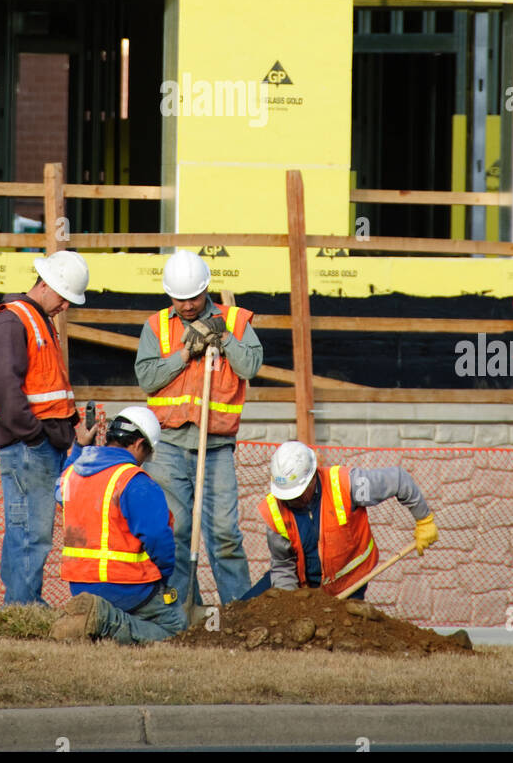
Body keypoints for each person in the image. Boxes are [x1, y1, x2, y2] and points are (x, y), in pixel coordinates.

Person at [134, 250, 263, 606]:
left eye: (193, 297)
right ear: (169, 294)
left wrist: (224, 337)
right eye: (180, 298)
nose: (188, 305)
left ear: (206, 288)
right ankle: (182, 611)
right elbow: (147, 378)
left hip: (215, 445)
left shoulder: (234, 320)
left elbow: (251, 366)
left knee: (224, 533)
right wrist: (184, 354)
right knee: (175, 532)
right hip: (168, 446)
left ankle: (238, 612)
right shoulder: (156, 326)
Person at [0, 250, 89, 606]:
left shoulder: (37, 320)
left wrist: (72, 428)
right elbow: (4, 386)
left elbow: (48, 387)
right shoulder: (14, 321)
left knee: (24, 531)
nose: (65, 306)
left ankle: (18, 607)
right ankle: (25, 608)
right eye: (63, 297)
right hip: (29, 446)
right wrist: (33, 435)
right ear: (44, 285)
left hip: (38, 443)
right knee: (31, 532)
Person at [53, 407, 187, 644]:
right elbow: (158, 538)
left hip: (80, 588)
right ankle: (105, 620)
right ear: (138, 444)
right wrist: (164, 577)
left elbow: (60, 488)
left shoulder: (70, 475)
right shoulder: (134, 481)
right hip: (128, 586)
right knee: (177, 629)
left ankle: (93, 619)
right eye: (147, 453)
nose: (144, 461)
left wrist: (80, 447)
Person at [255, 441, 438, 598]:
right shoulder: (275, 511)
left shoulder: (347, 484)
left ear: (312, 479)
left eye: (297, 495)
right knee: (247, 607)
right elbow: (283, 564)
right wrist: (290, 603)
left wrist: (424, 520)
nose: (292, 501)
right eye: (286, 496)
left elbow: (398, 481)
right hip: (303, 587)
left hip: (349, 582)